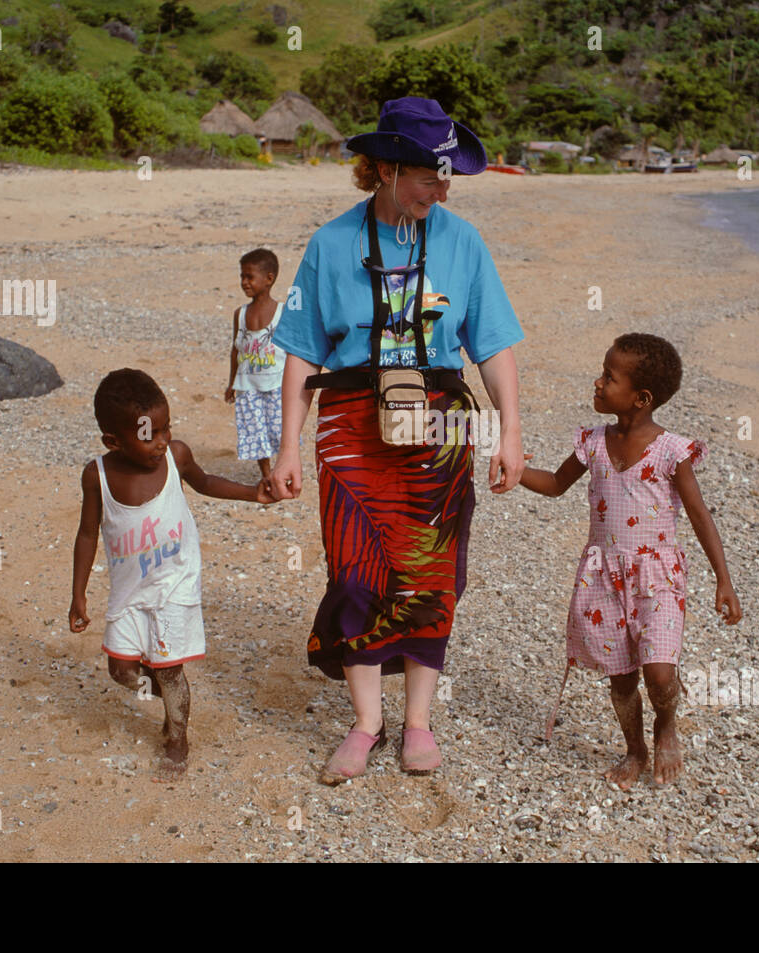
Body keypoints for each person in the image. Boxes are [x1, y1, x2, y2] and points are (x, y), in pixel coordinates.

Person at [269, 97, 525, 784]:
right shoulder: (329, 243)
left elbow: (493, 345)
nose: (442, 192)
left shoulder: (463, 241)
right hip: (350, 423)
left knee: (431, 573)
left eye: (447, 180)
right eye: (428, 178)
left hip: (440, 424)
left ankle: (417, 723)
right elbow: (299, 352)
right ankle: (365, 723)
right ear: (383, 167)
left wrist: (509, 433)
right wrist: (288, 445)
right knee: (356, 568)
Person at [520, 333, 742, 789]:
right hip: (602, 579)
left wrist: (724, 579)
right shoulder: (594, 442)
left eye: (609, 377)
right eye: (602, 373)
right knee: (621, 680)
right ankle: (635, 749)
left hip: (656, 577)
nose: (598, 383)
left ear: (641, 398)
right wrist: (515, 471)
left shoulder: (671, 451)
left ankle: (666, 723)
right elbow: (557, 484)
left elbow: (700, 516)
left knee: (660, 673)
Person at [70, 368, 273, 779]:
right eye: (149, 435)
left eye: (166, 429)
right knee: (122, 671)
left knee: (170, 668)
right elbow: (87, 533)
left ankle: (177, 737)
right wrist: (79, 593)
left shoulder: (176, 456)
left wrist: (254, 492)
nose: (161, 442)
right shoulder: (98, 477)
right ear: (113, 441)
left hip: (174, 585)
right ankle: (164, 694)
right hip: (129, 592)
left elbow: (206, 482)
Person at [224, 248, 285, 480]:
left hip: (276, 383)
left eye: (250, 277)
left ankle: (282, 468)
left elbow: (293, 349)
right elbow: (235, 349)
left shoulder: (282, 313)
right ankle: (266, 474)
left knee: (278, 430)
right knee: (256, 432)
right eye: (242, 276)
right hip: (247, 385)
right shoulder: (240, 314)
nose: (244, 282)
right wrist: (231, 383)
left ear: (269, 279)